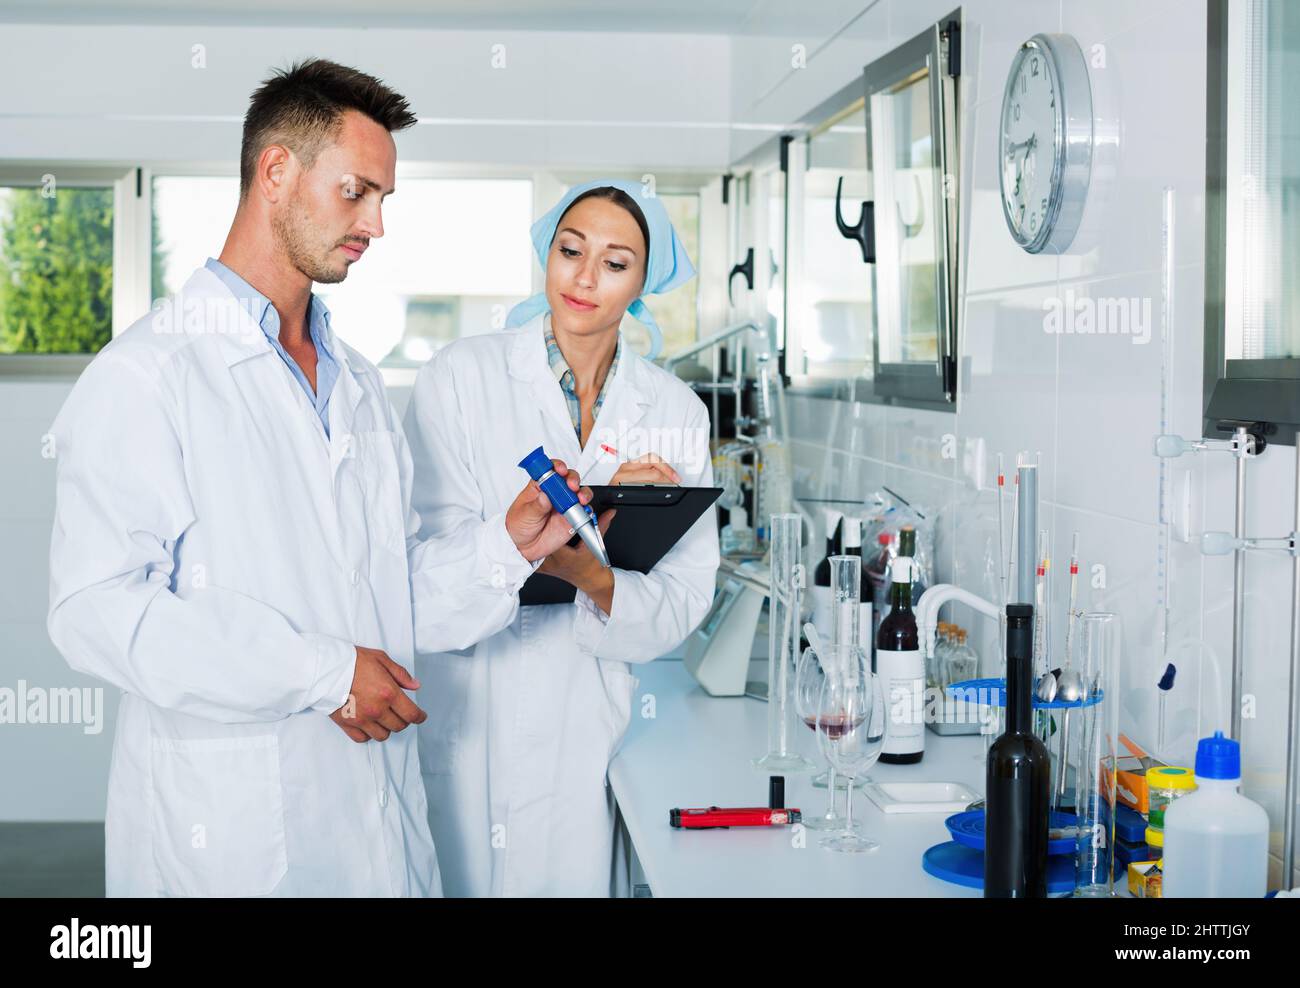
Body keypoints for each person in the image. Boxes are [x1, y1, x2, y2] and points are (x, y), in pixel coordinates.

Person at [46, 59, 590, 897]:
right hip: (232, 833)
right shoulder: (151, 372)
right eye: (356, 193)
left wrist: (504, 548)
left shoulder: (359, 382)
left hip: (371, 814)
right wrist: (324, 673)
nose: (375, 223)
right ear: (276, 172)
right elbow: (95, 609)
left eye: (384, 199)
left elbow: (384, 593)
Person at [404, 179, 720, 897]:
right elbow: (418, 578)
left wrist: (595, 572)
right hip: (472, 713)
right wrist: (516, 545)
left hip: (585, 724)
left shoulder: (673, 411)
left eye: (615, 262)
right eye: (570, 250)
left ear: (643, 282)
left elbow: (686, 594)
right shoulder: (461, 378)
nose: (584, 277)